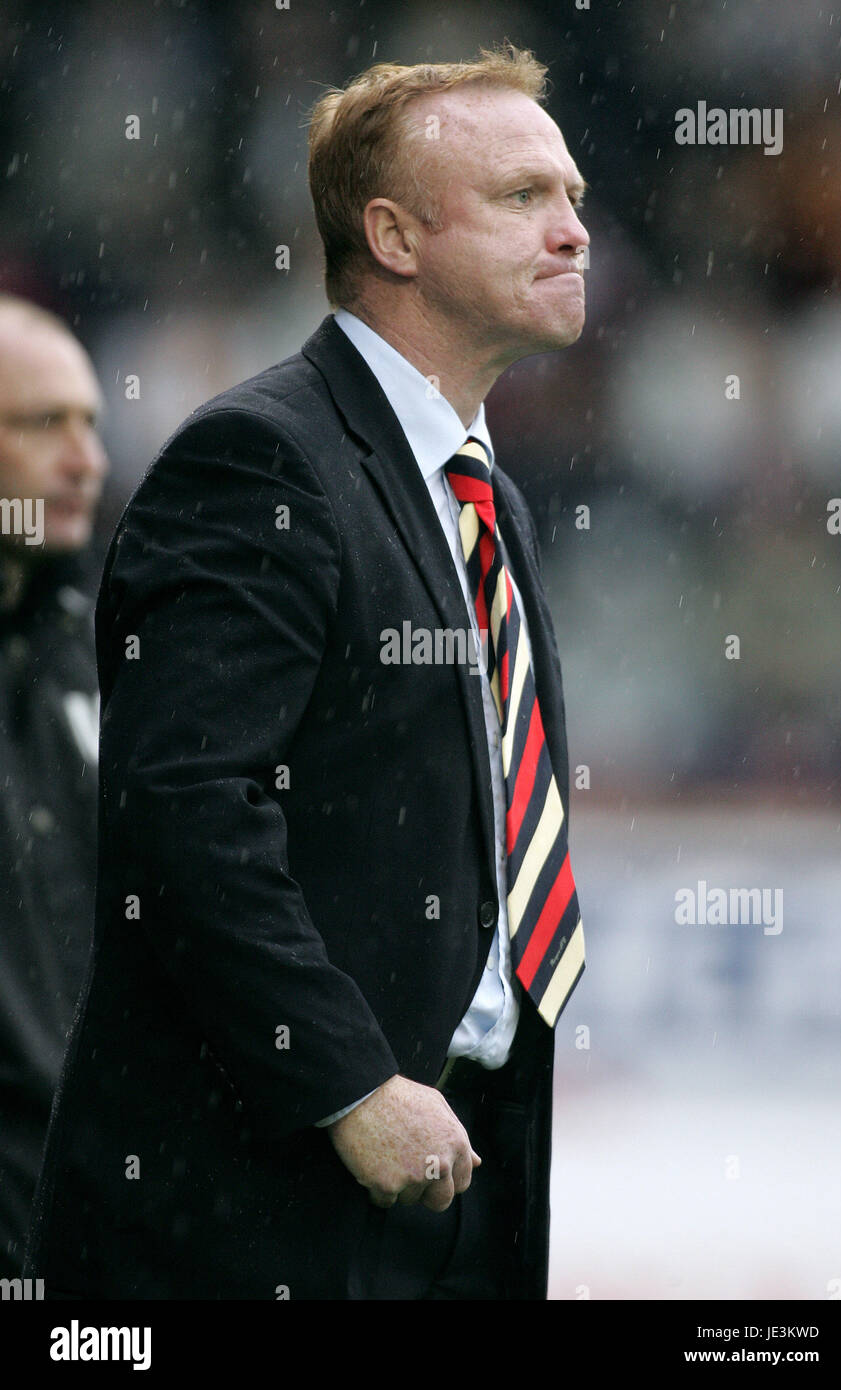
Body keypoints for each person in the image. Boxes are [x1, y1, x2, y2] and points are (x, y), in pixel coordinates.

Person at [26, 43, 589, 1301]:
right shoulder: (258, 462)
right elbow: (184, 809)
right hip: (256, 1207)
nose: (572, 233)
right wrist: (344, 1080)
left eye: (574, 200)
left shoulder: (486, 496)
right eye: (522, 199)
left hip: (449, 1189)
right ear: (390, 234)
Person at [0, 295, 108, 1276]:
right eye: (44, 425)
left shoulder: (100, 657)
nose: (86, 460)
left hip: (86, 1221)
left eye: (91, 425)